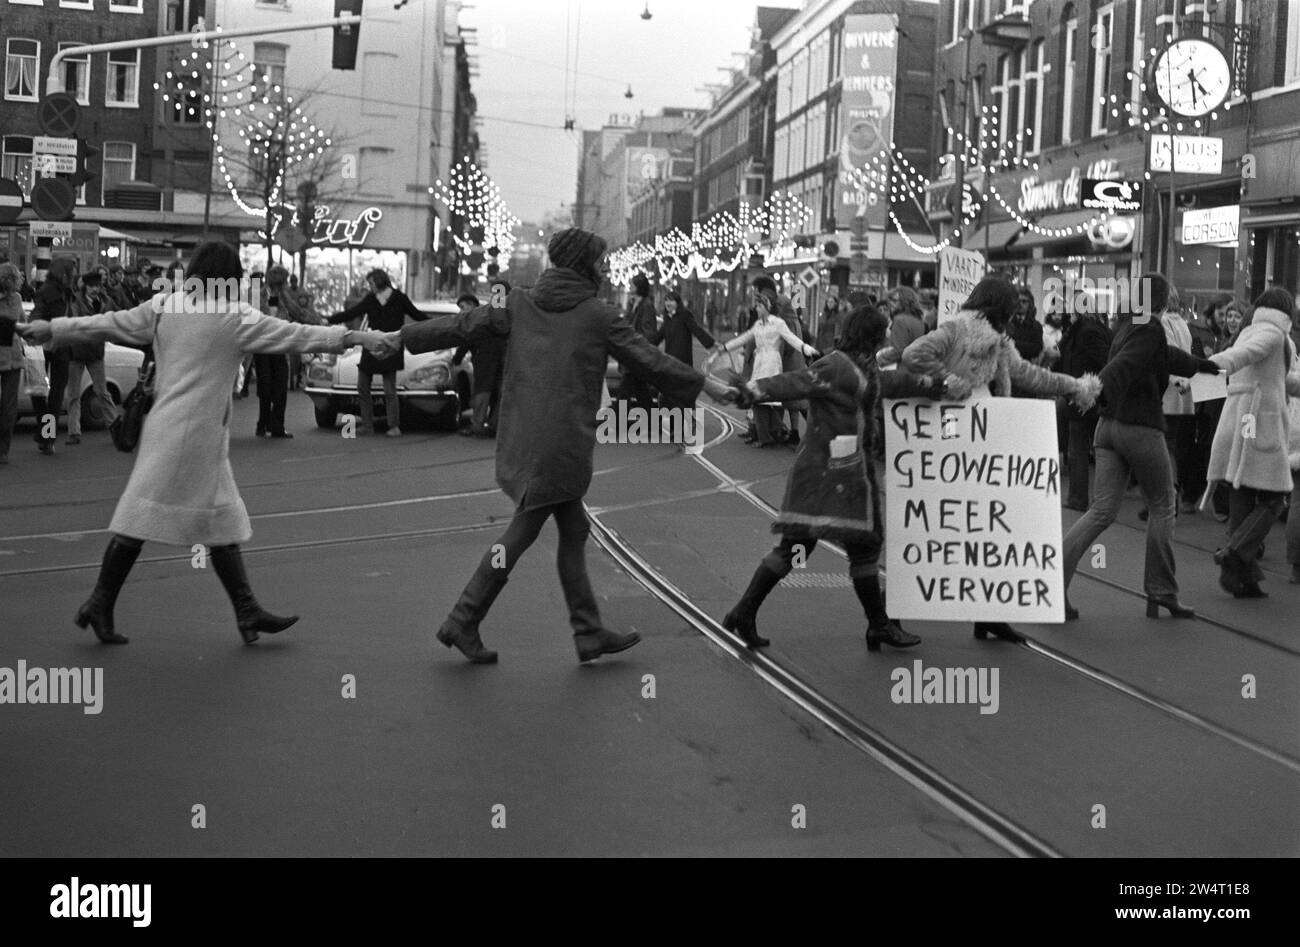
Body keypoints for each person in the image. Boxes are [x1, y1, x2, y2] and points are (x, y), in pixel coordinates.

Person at [389, 228, 737, 665]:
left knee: (574, 530)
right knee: (520, 533)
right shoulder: (598, 314)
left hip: (524, 436)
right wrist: (707, 385)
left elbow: (464, 323)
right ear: (584, 265)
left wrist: (402, 337)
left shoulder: (515, 301)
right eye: (599, 261)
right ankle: (463, 618)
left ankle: (587, 632)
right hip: (561, 444)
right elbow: (649, 360)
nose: (604, 267)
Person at [17, 241, 391, 644]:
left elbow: (106, 322)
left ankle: (242, 610)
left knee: (216, 518)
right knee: (139, 520)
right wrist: (355, 336)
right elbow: (298, 336)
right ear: (229, 277)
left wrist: (52, 328)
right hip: (195, 437)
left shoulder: (165, 306)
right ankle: (100, 603)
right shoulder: (233, 316)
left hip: (170, 428)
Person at [724, 306, 956, 652]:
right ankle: (878, 625)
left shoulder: (859, 366)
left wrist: (933, 386)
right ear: (872, 334)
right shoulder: (836, 365)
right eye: (884, 330)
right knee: (858, 546)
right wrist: (750, 391)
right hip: (833, 476)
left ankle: (745, 611)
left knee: (800, 546)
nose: (888, 335)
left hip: (832, 474)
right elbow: (793, 382)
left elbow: (890, 382)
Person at [895, 275, 1103, 641]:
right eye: (1013, 305)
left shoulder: (1001, 341)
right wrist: (947, 382)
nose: (1018, 310)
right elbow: (914, 354)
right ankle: (895, 603)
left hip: (988, 432)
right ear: (998, 306)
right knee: (941, 525)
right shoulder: (956, 329)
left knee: (990, 527)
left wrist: (1073, 386)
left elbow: (1027, 375)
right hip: (951, 431)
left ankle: (989, 614)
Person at [1059, 274, 1221, 621]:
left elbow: (1168, 357)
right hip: (1139, 427)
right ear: (1165, 301)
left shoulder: (1128, 324)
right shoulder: (1149, 328)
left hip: (1107, 428)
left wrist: (1206, 366)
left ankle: (1054, 583)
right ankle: (1161, 591)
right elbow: (1127, 364)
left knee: (1100, 512)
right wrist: (1101, 386)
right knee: (1163, 505)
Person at [1205, 287, 1300, 598]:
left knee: (1242, 492)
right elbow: (1239, 358)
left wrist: (1200, 374)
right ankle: (1234, 552)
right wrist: (1204, 367)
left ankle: (1242, 577)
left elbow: (1272, 373)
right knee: (1277, 496)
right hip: (1259, 422)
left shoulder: (1251, 330)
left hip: (1239, 419)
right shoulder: (1275, 334)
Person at [708, 288, 819, 447]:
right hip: (760, 362)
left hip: (772, 362)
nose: (756, 308)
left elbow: (792, 339)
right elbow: (744, 337)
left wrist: (807, 349)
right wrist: (724, 348)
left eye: (759, 306)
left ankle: (769, 435)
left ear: (767, 307)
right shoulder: (758, 325)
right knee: (759, 399)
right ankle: (767, 434)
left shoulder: (778, 323)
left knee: (768, 399)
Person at [326, 269, 429, 437]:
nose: (370, 286)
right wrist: (330, 320)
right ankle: (368, 425)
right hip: (372, 343)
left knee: (389, 390)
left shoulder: (399, 298)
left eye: (371, 283)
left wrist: (435, 324)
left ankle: (393, 426)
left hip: (391, 345)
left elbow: (416, 314)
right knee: (362, 386)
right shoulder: (371, 299)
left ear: (379, 282)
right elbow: (353, 312)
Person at [1057, 293, 1112, 510]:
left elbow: (1103, 360)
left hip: (1085, 395)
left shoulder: (1087, 331)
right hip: (1084, 394)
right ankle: (1090, 497)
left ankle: (1079, 498)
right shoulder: (1087, 329)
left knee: (1079, 448)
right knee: (1094, 448)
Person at [64, 269, 120, 445]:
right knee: (73, 394)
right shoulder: (75, 300)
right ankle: (74, 432)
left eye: (97, 286)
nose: (95, 290)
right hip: (77, 352)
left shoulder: (106, 301)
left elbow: (117, 316)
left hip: (95, 352)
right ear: (85, 287)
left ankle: (116, 429)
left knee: (102, 392)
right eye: (91, 286)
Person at [31, 257, 78, 455]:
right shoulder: (50, 291)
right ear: (65, 273)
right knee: (45, 393)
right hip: (48, 346)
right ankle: (47, 434)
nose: (75, 275)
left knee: (49, 395)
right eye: (72, 271)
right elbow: (37, 314)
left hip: (59, 347)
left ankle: (47, 436)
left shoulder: (66, 292)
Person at [1160, 289, 1199, 514]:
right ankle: (1168, 495)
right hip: (1182, 395)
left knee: (1163, 447)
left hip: (1168, 391)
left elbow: (1167, 355)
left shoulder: (1163, 323)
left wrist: (1174, 379)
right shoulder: (1183, 324)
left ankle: (1167, 496)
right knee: (1171, 446)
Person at [456, 282, 511, 438]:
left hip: (487, 356)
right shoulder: (512, 308)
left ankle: (478, 424)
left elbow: (470, 336)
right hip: (504, 355)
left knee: (484, 390)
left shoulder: (494, 308)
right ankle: (493, 425)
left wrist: (458, 356)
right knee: (499, 392)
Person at [0, 262, 25, 465]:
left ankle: (3, 450)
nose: (19, 283)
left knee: (9, 407)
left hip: (14, 359)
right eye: (16, 279)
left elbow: (22, 324)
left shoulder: (17, 299)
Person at [624, 273, 659, 410]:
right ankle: (653, 421)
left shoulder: (646, 306)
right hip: (634, 355)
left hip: (637, 355)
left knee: (625, 392)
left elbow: (649, 333)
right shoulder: (635, 304)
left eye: (632, 284)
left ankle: (615, 425)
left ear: (639, 287)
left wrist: (640, 350)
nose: (630, 286)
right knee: (641, 392)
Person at [885, 286, 927, 354]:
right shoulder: (918, 320)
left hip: (900, 363)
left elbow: (897, 351)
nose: (890, 303)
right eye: (889, 300)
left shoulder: (900, 320)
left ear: (905, 302)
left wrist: (879, 357)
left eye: (894, 300)